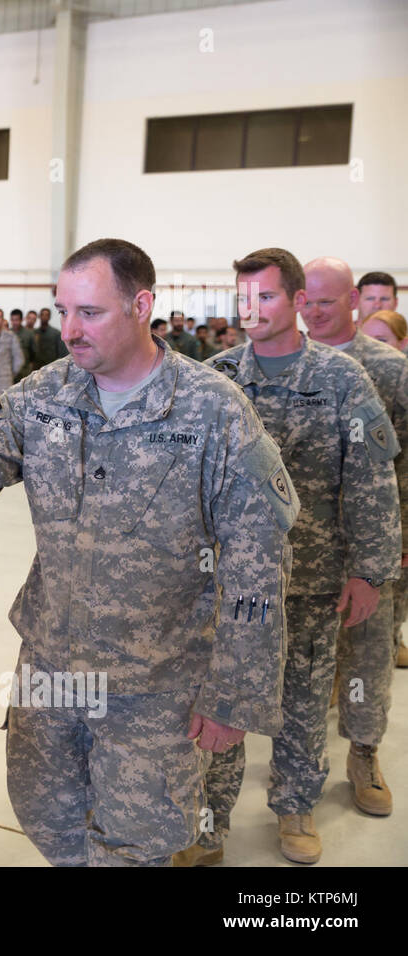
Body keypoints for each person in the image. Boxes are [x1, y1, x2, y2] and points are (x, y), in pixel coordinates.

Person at [0, 238, 296, 867]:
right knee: (45, 813)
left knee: (139, 841)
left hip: (156, 679)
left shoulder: (213, 411)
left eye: (89, 312)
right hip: (51, 664)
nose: (69, 332)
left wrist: (234, 695)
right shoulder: (44, 396)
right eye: (62, 311)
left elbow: (259, 563)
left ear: (142, 306)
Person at [187, 248, 399, 866]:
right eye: (244, 298)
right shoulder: (217, 376)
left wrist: (368, 571)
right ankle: (208, 823)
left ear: (300, 303)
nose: (252, 310)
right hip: (231, 584)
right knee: (221, 698)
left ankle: (295, 808)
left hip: (312, 577)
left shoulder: (341, 380)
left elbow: (371, 481)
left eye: (268, 297)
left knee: (305, 701)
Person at [303, 256, 407, 816]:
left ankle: (364, 755)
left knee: (368, 660)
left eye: (328, 301)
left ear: (356, 301)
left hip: (369, 548)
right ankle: (300, 759)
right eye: (308, 301)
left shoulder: (388, 370)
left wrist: (396, 541)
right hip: (301, 551)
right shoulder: (292, 366)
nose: (316, 312)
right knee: (304, 664)